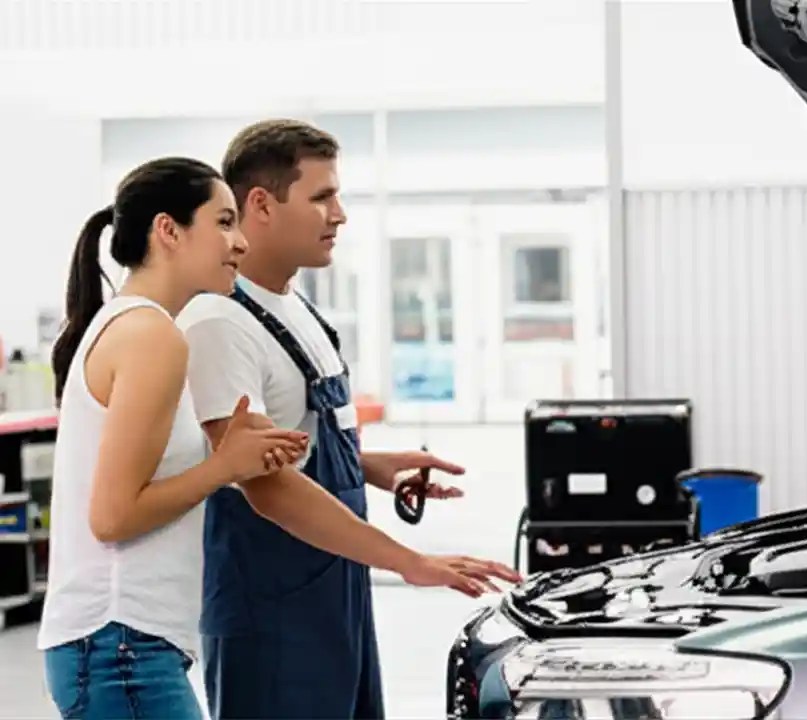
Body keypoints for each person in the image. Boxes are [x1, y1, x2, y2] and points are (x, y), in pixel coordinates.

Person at [176, 119, 521, 719]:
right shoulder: (218, 321)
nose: (339, 214)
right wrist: (411, 561)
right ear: (260, 203)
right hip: (271, 613)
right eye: (321, 196)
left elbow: (291, 444)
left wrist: (370, 467)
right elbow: (263, 484)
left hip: (336, 596)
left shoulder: (296, 308)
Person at [36, 157, 313, 719]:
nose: (239, 242)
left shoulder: (132, 325)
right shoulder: (151, 336)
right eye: (224, 222)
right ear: (168, 230)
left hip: (121, 644)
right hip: (120, 645)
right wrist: (224, 466)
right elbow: (113, 517)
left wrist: (225, 451)